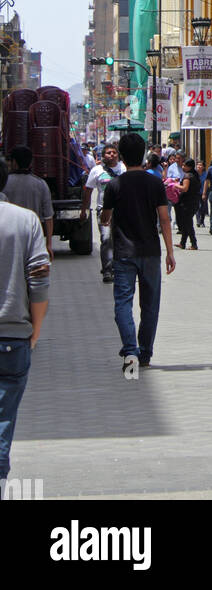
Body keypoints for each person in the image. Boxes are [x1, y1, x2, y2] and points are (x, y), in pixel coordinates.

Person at [100, 132, 175, 376]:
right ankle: (145, 354)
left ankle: (130, 351)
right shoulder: (154, 182)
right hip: (151, 252)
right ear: (143, 154)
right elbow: (164, 219)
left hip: (123, 253)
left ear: (121, 156)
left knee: (122, 303)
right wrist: (170, 252)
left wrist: (105, 215)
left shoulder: (114, 185)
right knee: (150, 305)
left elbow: (105, 218)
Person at [0, 155, 50, 487]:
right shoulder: (25, 221)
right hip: (12, 339)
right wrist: (35, 331)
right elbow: (39, 280)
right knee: (3, 422)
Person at [80, 142, 125, 282]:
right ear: (103, 155)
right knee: (106, 239)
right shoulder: (97, 170)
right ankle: (107, 269)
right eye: (108, 153)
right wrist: (84, 210)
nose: (111, 155)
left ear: (118, 155)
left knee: (120, 240)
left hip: (122, 211)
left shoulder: (124, 168)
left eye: (114, 152)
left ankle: (119, 267)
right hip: (103, 210)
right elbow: (88, 191)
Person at [3, 147, 54, 259]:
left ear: (14, 162)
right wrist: (49, 244)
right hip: (34, 238)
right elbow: (48, 217)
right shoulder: (41, 184)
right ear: (30, 162)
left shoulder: (4, 184)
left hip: (9, 236)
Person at [175, 159, 200, 250]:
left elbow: (184, 188)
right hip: (194, 202)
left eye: (184, 165)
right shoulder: (195, 175)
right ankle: (183, 243)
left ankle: (194, 243)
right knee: (186, 223)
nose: (183, 167)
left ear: (189, 167)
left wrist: (175, 185)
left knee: (188, 223)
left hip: (187, 203)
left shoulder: (188, 176)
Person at [194, 160, 207, 227]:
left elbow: (207, 183)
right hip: (196, 192)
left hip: (203, 192)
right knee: (197, 207)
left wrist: (204, 193)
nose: (199, 166)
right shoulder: (194, 174)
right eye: (198, 165)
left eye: (200, 165)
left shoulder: (206, 174)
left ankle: (202, 221)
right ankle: (198, 221)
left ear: (203, 167)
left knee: (203, 207)